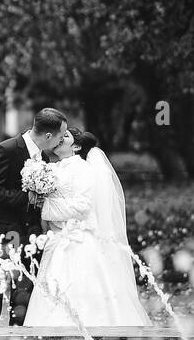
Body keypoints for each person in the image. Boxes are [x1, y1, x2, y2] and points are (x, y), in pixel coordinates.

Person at [23, 127, 150, 328]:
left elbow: (82, 207)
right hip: (57, 239)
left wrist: (45, 208)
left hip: (78, 241)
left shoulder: (83, 170)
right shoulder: (53, 168)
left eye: (65, 136)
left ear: (77, 146)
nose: (59, 139)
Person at [0, 107, 67, 325]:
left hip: (29, 234)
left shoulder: (44, 156)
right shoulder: (5, 150)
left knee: (23, 292)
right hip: (2, 232)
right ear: (48, 136)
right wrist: (27, 197)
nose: (61, 141)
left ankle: (17, 339)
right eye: (61, 136)